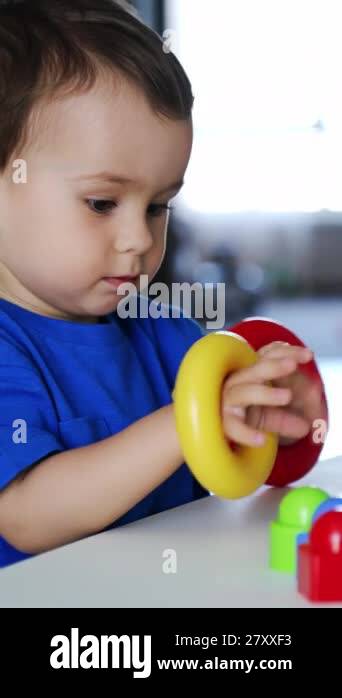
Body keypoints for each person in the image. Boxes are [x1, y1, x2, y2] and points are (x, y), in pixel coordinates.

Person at [0, 0, 327, 568]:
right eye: (102, 203)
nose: (138, 239)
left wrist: (275, 416)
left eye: (157, 206)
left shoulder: (164, 331)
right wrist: (185, 420)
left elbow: (238, 465)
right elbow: (27, 516)